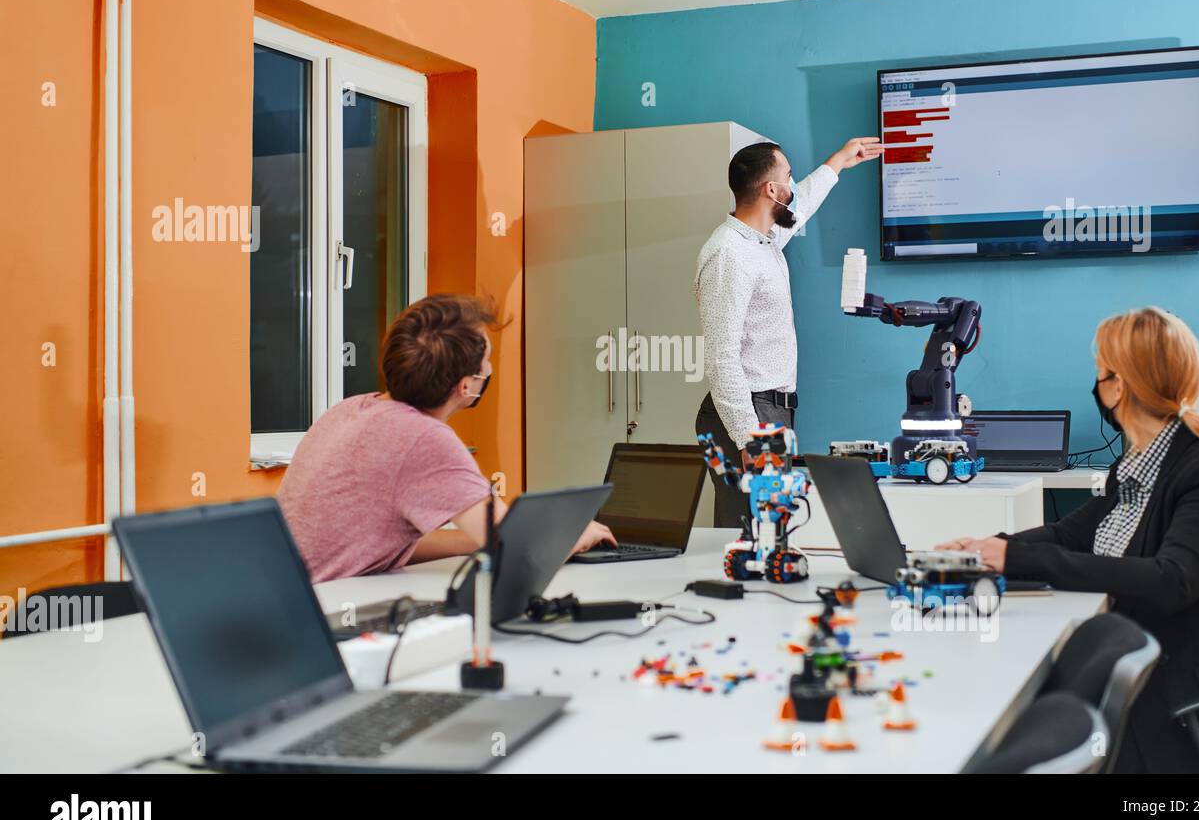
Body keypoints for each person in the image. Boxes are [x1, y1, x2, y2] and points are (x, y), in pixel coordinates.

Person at [937, 307, 1199, 772]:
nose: (1097, 385)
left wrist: (1011, 559)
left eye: (1100, 374)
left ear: (1119, 386)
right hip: (1165, 676)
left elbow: (1171, 580)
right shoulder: (1137, 465)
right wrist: (983, 551)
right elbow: (1071, 534)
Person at [278, 294, 614, 582]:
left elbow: (376, 546)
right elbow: (520, 548)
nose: (492, 368)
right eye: (488, 360)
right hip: (322, 619)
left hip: (289, 603)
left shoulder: (350, 410)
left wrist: (484, 540)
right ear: (467, 386)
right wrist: (573, 536)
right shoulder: (422, 437)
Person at [695, 137, 884, 526]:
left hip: (772, 413)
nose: (793, 190)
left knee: (771, 532)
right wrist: (749, 438)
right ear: (771, 190)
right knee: (746, 534)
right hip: (748, 414)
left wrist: (838, 162)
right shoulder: (730, 254)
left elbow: (802, 207)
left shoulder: (762, 242)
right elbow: (721, 357)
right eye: (789, 180)